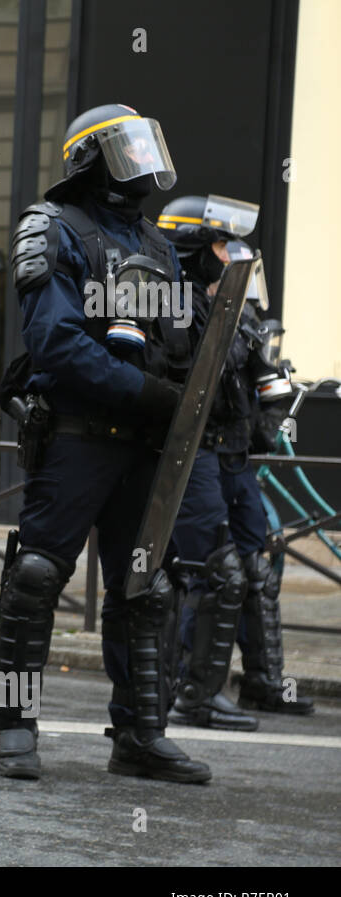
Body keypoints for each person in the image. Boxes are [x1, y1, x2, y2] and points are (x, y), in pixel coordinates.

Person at [0, 103, 212, 782]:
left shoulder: (159, 246)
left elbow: (179, 348)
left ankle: (140, 735)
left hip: (146, 445)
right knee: (35, 578)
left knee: (145, 587)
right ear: (92, 157)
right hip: (78, 436)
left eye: (148, 143)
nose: (143, 159)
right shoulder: (51, 227)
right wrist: (146, 392)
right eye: (128, 146)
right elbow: (55, 345)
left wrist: (188, 392)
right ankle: (12, 726)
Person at [160, 194, 314, 725]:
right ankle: (195, 693)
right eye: (223, 245)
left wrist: (268, 421)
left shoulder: (234, 307)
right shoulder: (171, 301)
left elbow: (257, 378)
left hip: (233, 452)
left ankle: (261, 683)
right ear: (196, 246)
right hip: (194, 454)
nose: (231, 256)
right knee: (212, 569)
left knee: (256, 562)